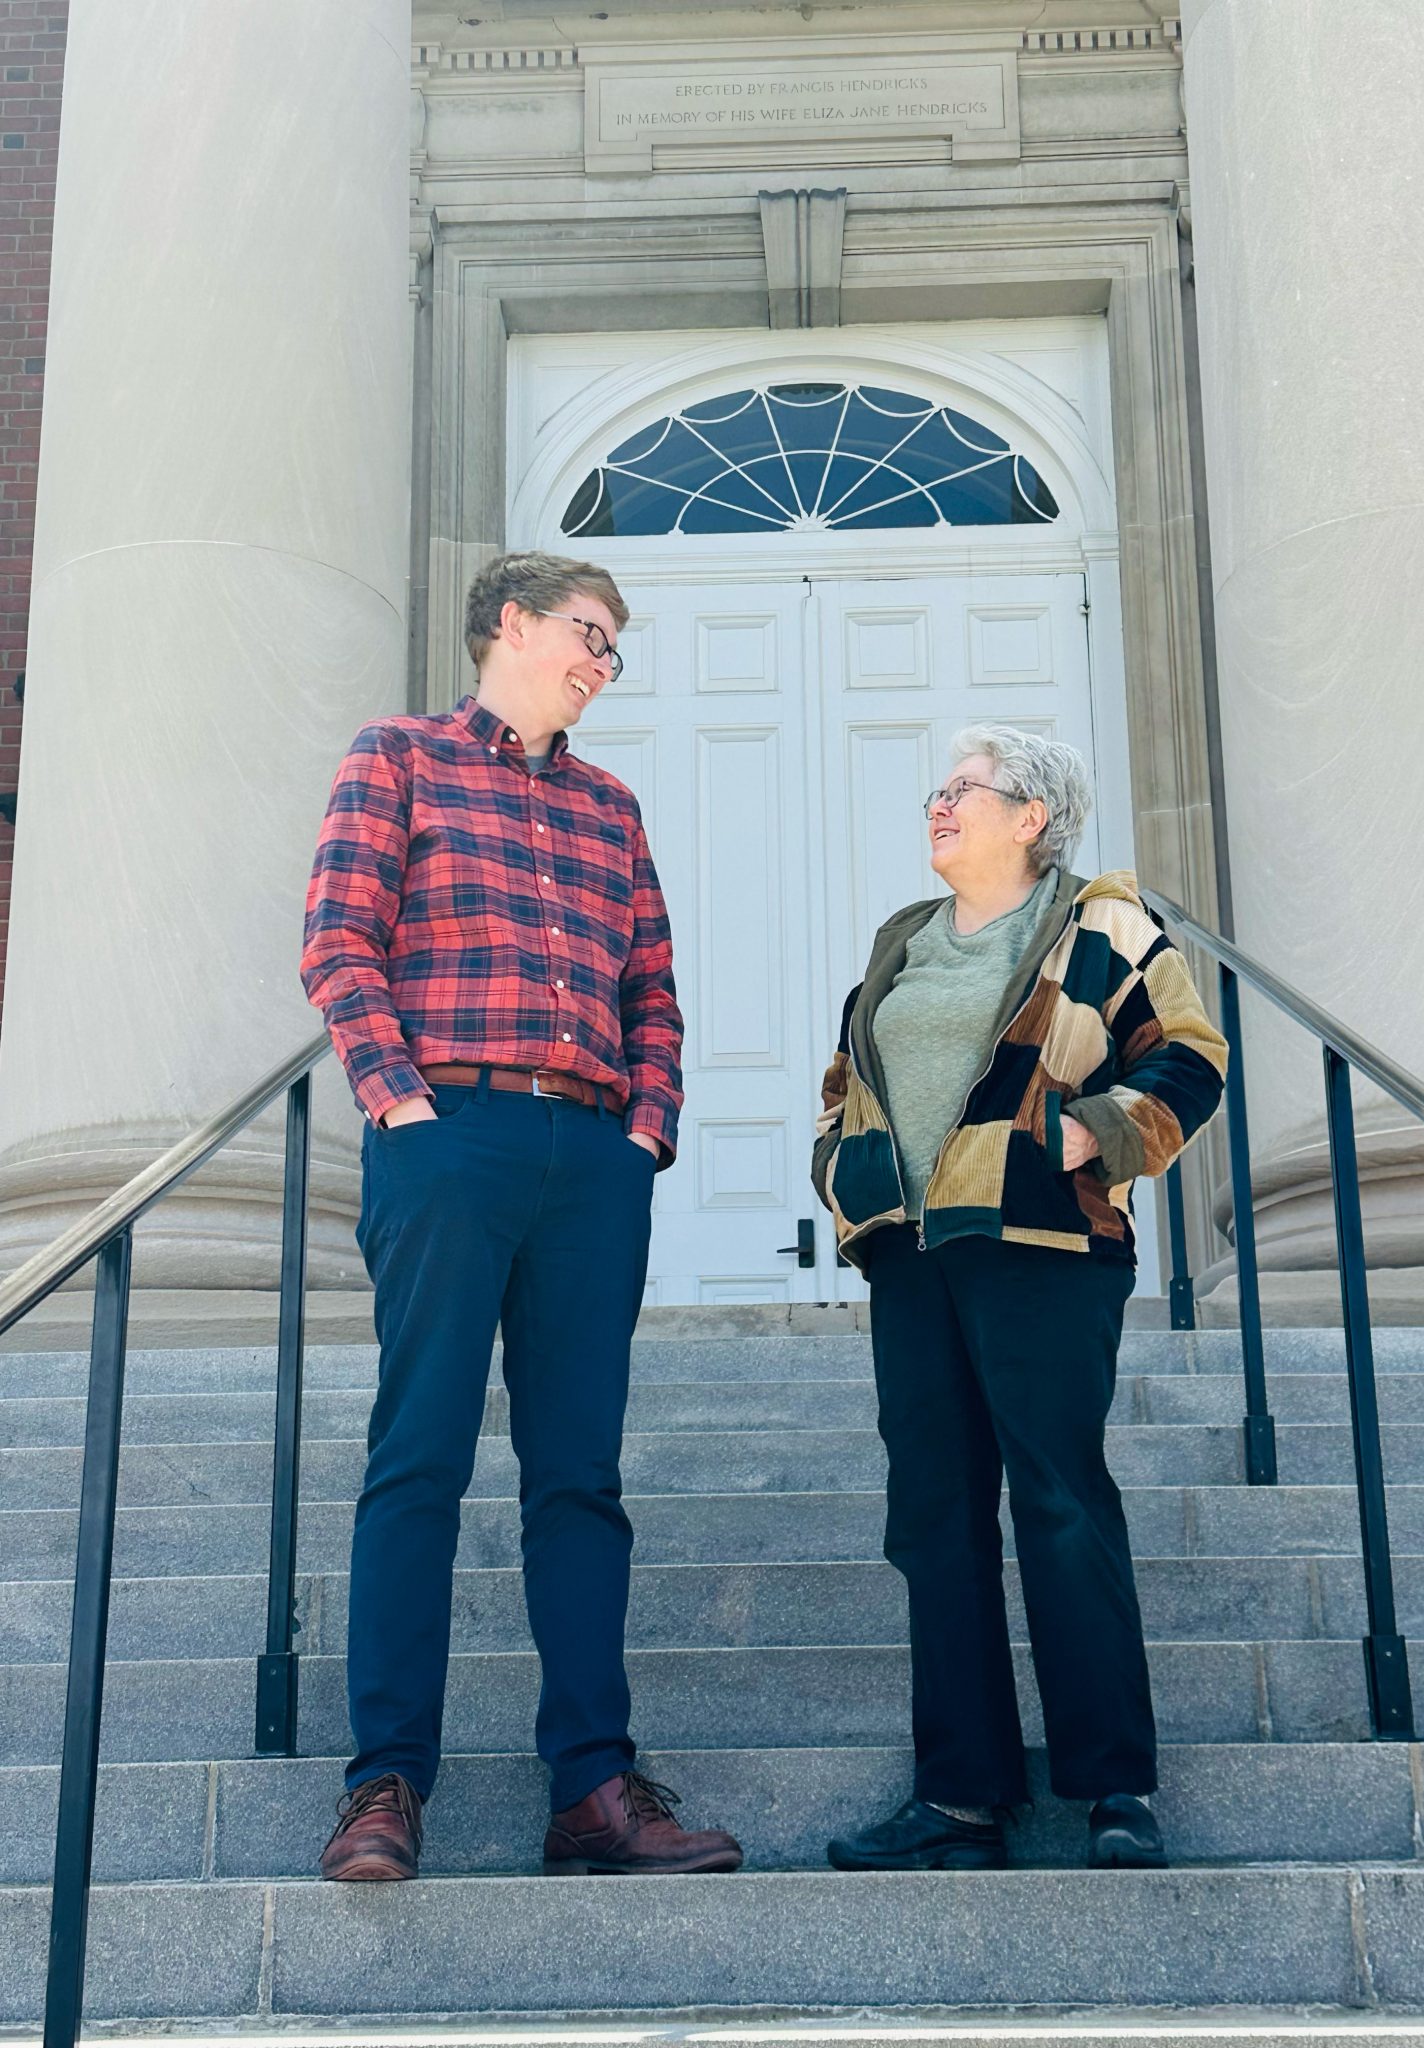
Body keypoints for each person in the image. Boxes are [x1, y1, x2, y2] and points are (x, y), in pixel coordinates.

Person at [301, 549, 742, 1881]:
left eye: (617, 648)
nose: (602, 662)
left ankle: (594, 1794)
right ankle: (385, 1784)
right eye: (588, 633)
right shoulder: (399, 758)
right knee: (418, 1460)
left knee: (579, 1483)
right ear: (508, 624)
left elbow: (653, 992)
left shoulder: (612, 808)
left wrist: (644, 1133)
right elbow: (338, 938)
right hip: (452, 1135)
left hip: (588, 1160)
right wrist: (399, 1105)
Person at [812, 725, 1226, 1872]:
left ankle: (1115, 1789)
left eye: (963, 788)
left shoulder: (1103, 924)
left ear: (1031, 814)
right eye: (938, 788)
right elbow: (848, 1081)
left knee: (1058, 1499)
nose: (938, 804)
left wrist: (1082, 1139)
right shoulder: (905, 940)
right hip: (914, 1256)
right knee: (932, 1520)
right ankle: (959, 1797)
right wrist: (840, 1174)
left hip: (1045, 1243)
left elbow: (1189, 1058)